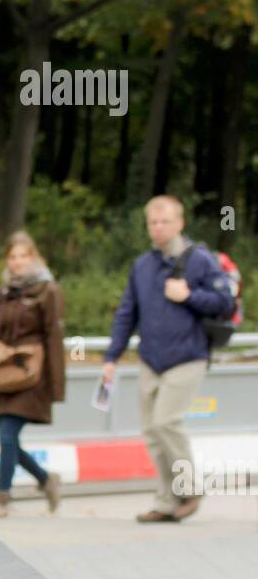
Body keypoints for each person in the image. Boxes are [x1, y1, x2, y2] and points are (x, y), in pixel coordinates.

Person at [102, 195, 235, 523]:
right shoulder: (143, 265)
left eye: (165, 222)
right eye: (153, 222)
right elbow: (126, 313)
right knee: (151, 431)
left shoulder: (200, 260)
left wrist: (190, 295)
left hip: (188, 356)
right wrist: (111, 357)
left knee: (166, 423)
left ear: (179, 223)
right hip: (151, 358)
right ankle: (166, 501)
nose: (158, 228)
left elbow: (225, 302)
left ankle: (189, 488)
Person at [0, 231, 65, 518]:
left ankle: (2, 497)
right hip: (5, 375)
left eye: (23, 256)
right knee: (8, 439)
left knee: (7, 435)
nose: (18, 262)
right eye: (12, 257)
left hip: (33, 375)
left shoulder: (48, 291)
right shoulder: (4, 293)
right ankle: (46, 480)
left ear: (33, 257)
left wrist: (56, 386)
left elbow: (54, 336)